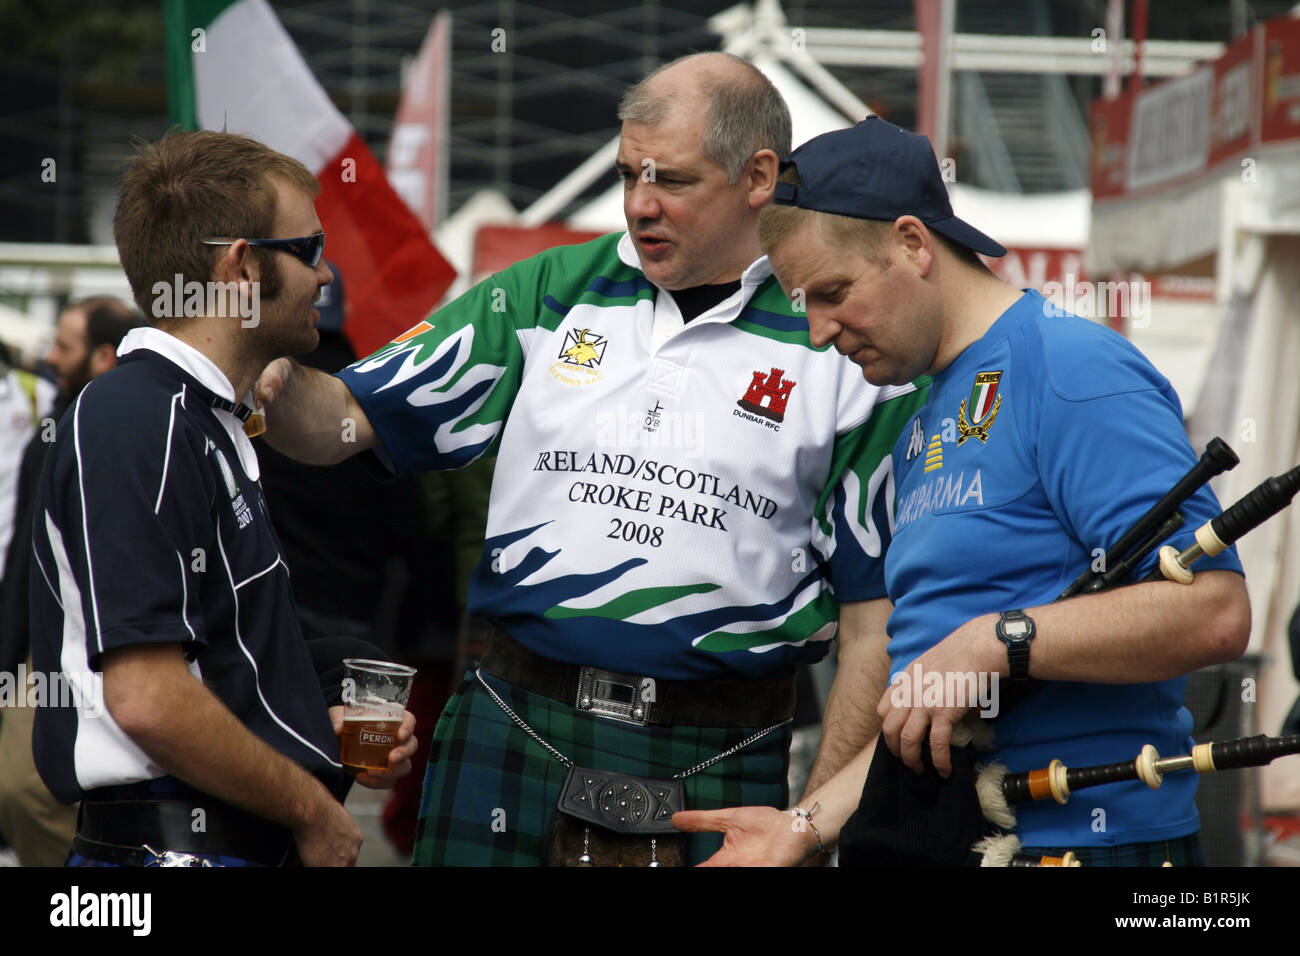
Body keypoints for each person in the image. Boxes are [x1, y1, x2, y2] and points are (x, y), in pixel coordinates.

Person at [256, 53, 925, 866]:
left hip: (722, 746)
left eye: (672, 181)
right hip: (512, 715)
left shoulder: (838, 335)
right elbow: (352, 417)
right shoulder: (551, 288)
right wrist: (266, 376)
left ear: (758, 177)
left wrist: (809, 829)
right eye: (626, 175)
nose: (639, 204)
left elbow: (873, 625)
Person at [674, 116, 1251, 866]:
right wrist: (802, 826)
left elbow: (1213, 611)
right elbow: (925, 702)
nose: (818, 333)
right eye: (802, 304)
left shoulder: (1074, 370)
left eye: (833, 292)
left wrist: (994, 640)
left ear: (914, 244)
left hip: (1082, 842)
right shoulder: (920, 416)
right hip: (940, 833)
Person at [27, 130, 417, 866]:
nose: (327, 274)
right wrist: (313, 814)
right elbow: (148, 698)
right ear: (241, 264)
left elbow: (215, 654)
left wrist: (314, 718)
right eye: (310, 249)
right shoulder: (137, 416)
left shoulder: (200, 415)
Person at [0, 297, 142, 867]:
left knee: (32, 790)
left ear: (104, 356)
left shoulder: (118, 429)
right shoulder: (59, 424)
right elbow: (24, 559)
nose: (51, 357)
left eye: (65, 346)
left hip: (99, 648)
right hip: (44, 644)